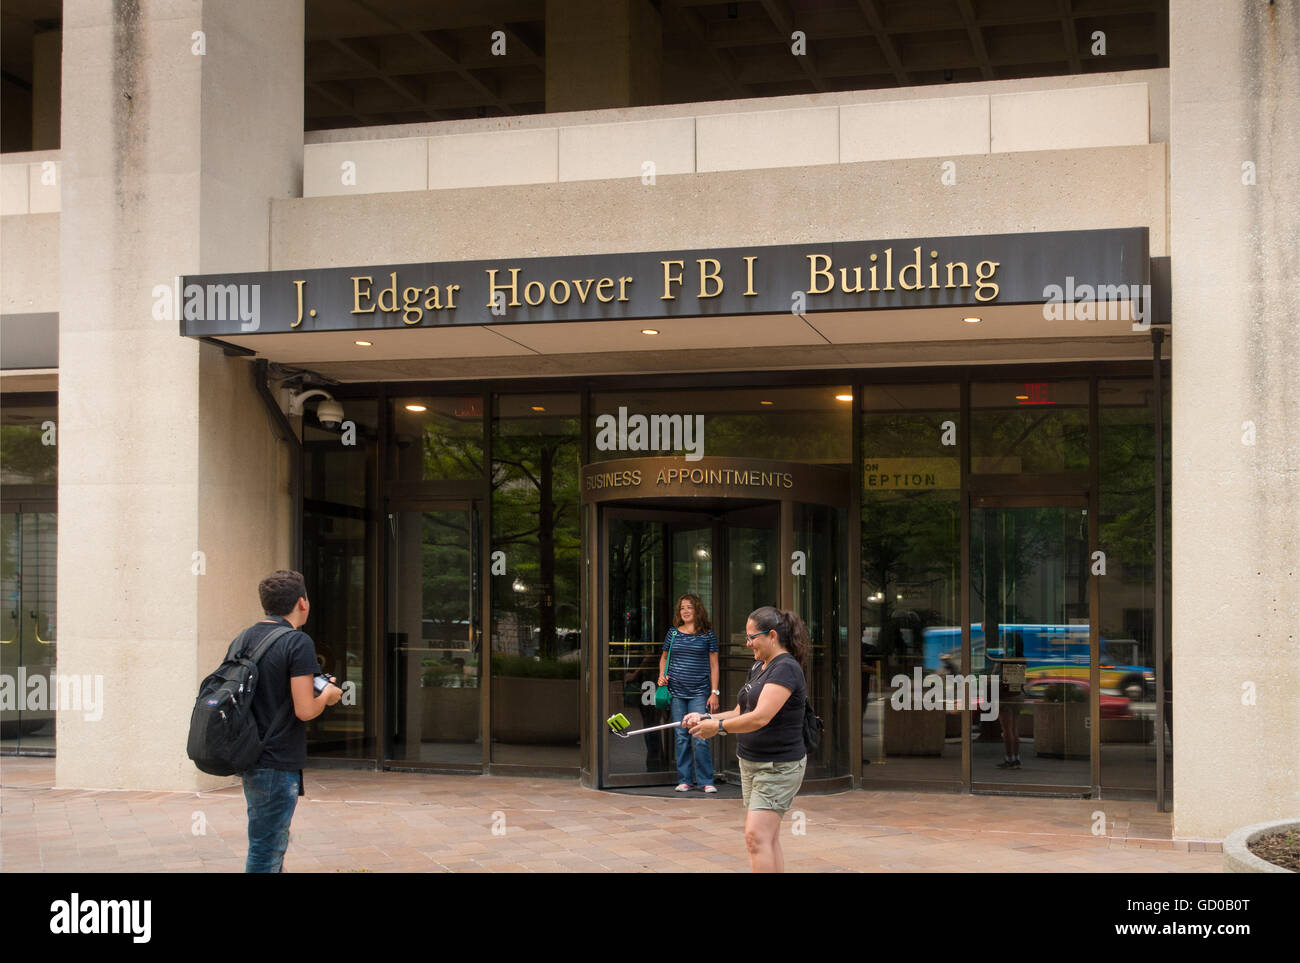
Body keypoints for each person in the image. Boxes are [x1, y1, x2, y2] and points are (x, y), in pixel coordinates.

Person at [687, 606, 808, 873]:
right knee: (767, 838)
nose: (747, 642)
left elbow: (760, 718)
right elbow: (743, 712)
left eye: (752, 637)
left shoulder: (785, 668)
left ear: (772, 635)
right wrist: (707, 718)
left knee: (756, 837)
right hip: (752, 763)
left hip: (777, 766)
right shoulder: (759, 666)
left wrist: (718, 729)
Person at [239, 570, 341, 873]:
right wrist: (329, 696)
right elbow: (305, 710)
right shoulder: (297, 643)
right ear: (302, 602)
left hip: (250, 755)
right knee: (267, 848)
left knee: (267, 839)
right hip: (277, 759)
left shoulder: (245, 638)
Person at [658, 593, 719, 792]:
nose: (685, 611)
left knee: (700, 736)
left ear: (697, 610)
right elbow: (664, 657)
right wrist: (662, 675)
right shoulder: (673, 633)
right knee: (681, 736)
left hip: (699, 693)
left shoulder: (707, 634)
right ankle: (684, 779)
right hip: (676, 693)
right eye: (682, 607)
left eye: (689, 607)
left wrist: (714, 692)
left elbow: (714, 665)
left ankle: (706, 781)